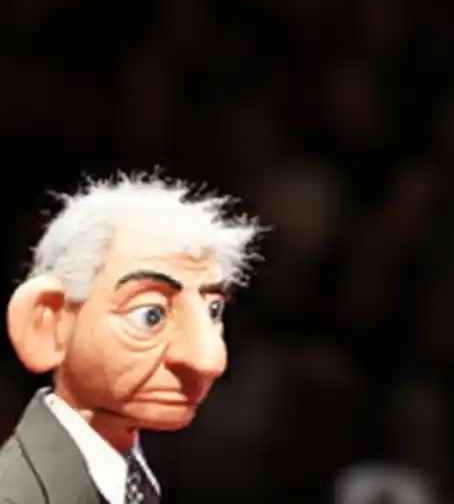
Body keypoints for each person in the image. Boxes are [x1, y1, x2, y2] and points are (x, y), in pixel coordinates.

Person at [0, 174, 263, 504]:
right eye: (150, 315)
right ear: (50, 322)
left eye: (213, 311)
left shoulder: (134, 478)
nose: (208, 359)